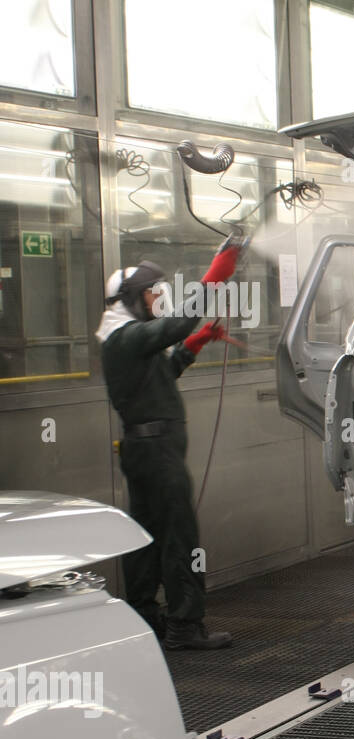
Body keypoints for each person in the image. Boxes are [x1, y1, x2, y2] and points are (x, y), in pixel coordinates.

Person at [96, 233, 246, 650]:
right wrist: (216, 274)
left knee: (146, 536)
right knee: (179, 534)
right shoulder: (125, 337)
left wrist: (191, 347)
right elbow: (178, 322)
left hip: (145, 451)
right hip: (157, 453)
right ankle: (184, 624)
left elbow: (159, 378)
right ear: (130, 299)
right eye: (150, 294)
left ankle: (145, 618)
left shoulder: (126, 338)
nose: (156, 299)